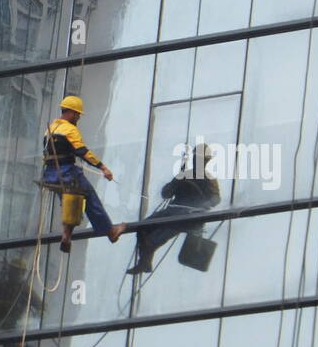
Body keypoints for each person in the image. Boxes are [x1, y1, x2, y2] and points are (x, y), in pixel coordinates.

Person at [41, 95, 127, 252]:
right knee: (90, 197)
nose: (79, 117)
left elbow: (46, 155)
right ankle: (110, 231)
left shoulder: (49, 129)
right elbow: (83, 152)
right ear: (72, 113)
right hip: (67, 174)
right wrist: (103, 167)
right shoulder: (70, 129)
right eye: (78, 114)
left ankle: (66, 236)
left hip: (51, 176)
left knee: (72, 203)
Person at [127, 142, 221, 275]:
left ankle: (144, 262)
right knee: (142, 227)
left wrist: (202, 206)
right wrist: (177, 181)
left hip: (188, 217)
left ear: (206, 161)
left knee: (153, 239)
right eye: (196, 157)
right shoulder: (183, 175)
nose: (198, 160)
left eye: (201, 158)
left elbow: (216, 199)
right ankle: (145, 262)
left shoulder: (209, 178)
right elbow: (166, 193)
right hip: (173, 212)